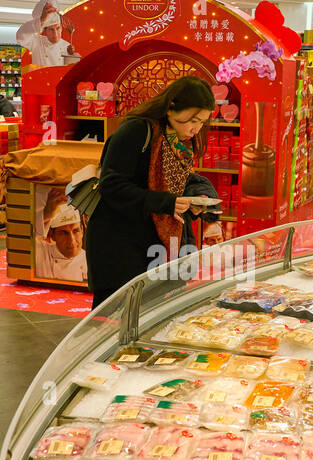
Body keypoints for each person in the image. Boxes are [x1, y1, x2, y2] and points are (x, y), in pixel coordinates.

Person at [85, 74, 223, 309]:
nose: (196, 128)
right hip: (121, 245)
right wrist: (167, 202)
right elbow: (112, 186)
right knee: (116, 323)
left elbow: (178, 182)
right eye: (192, 120)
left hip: (157, 246)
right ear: (171, 108)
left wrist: (197, 198)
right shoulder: (137, 130)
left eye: (202, 121)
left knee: (151, 318)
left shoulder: (177, 140)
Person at [16, 0, 80, 68]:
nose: (55, 34)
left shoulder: (67, 46)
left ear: (62, 28)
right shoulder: (36, 42)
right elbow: (20, 36)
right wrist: (41, 20)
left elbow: (71, 71)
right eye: (51, 29)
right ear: (45, 31)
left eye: (58, 28)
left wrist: (72, 56)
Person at [35, 200, 88, 282]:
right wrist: (45, 216)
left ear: (82, 230)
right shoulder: (41, 253)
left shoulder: (89, 261)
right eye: (64, 233)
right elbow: (21, 238)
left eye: (76, 231)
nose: (72, 241)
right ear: (52, 235)